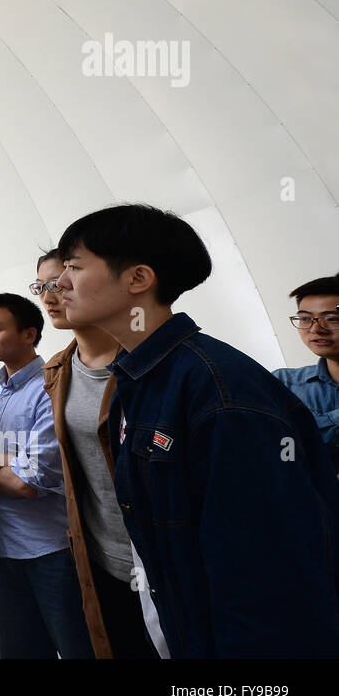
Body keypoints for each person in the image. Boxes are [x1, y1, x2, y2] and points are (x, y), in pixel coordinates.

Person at [55, 205, 339, 657]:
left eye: (74, 266)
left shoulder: (219, 390)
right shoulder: (141, 377)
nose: (60, 283)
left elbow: (265, 569)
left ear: (138, 279)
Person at [33, 250, 156, 659]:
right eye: (42, 287)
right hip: (100, 559)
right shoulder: (57, 370)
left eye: (61, 282)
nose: (52, 295)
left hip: (157, 554)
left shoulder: (146, 365)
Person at [0, 293, 92, 659]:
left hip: (53, 551)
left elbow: (28, 483)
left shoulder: (52, 388)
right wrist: (14, 460)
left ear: (29, 333)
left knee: (78, 648)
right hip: (3, 550)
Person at [273, 275, 339, 473]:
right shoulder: (283, 383)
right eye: (305, 318)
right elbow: (272, 448)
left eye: (333, 319)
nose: (316, 329)